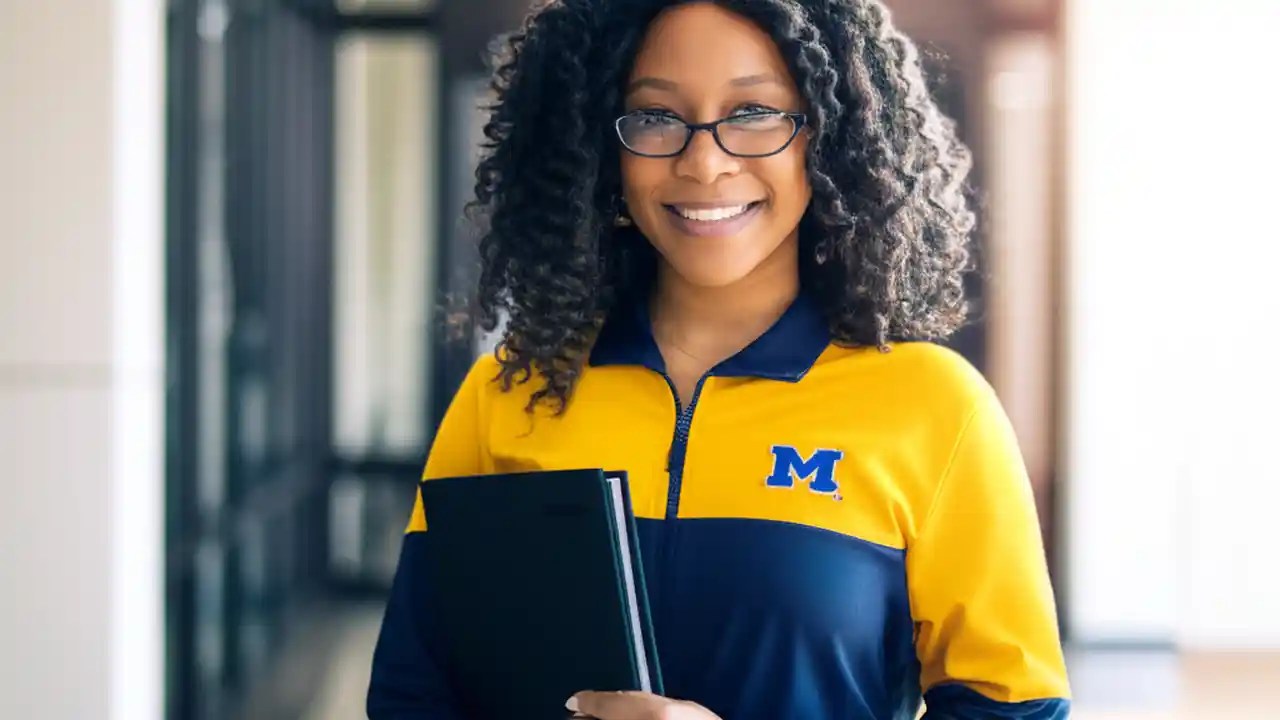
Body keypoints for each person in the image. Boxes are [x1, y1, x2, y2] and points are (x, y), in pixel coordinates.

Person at [367, 1, 1070, 718]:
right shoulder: (510, 393)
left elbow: (1012, 711)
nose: (703, 161)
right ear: (601, 148)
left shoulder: (934, 407)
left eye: (755, 111)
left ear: (827, 140)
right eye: (655, 117)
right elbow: (413, 695)